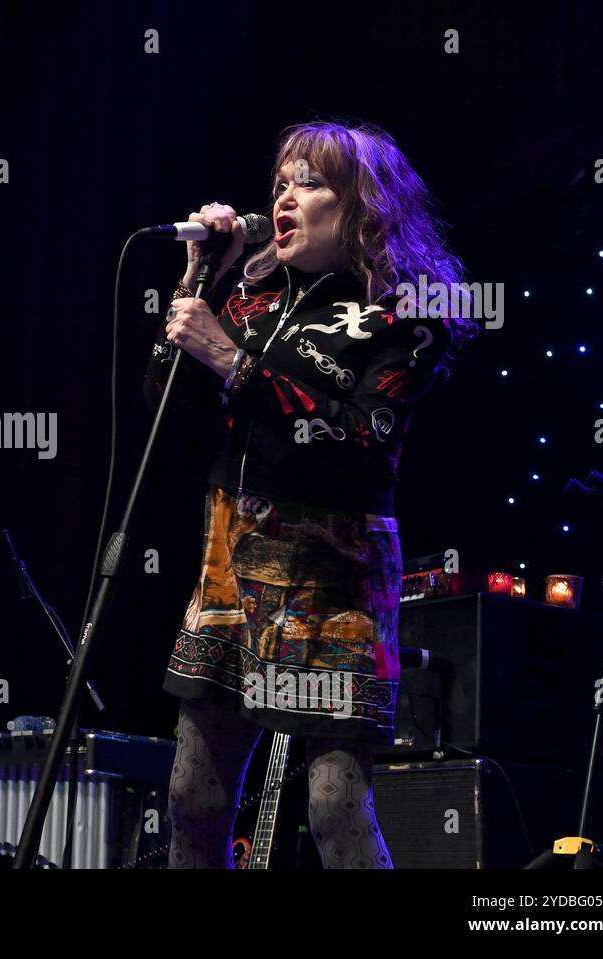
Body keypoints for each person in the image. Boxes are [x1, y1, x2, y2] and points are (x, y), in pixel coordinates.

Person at [145, 121, 476, 868]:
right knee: (193, 797)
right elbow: (165, 407)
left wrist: (233, 363)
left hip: (334, 573)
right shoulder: (256, 297)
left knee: (333, 804)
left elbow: (362, 437)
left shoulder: (406, 314)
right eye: (279, 184)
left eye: (309, 182)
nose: (285, 198)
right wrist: (200, 279)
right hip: (230, 560)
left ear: (364, 207)